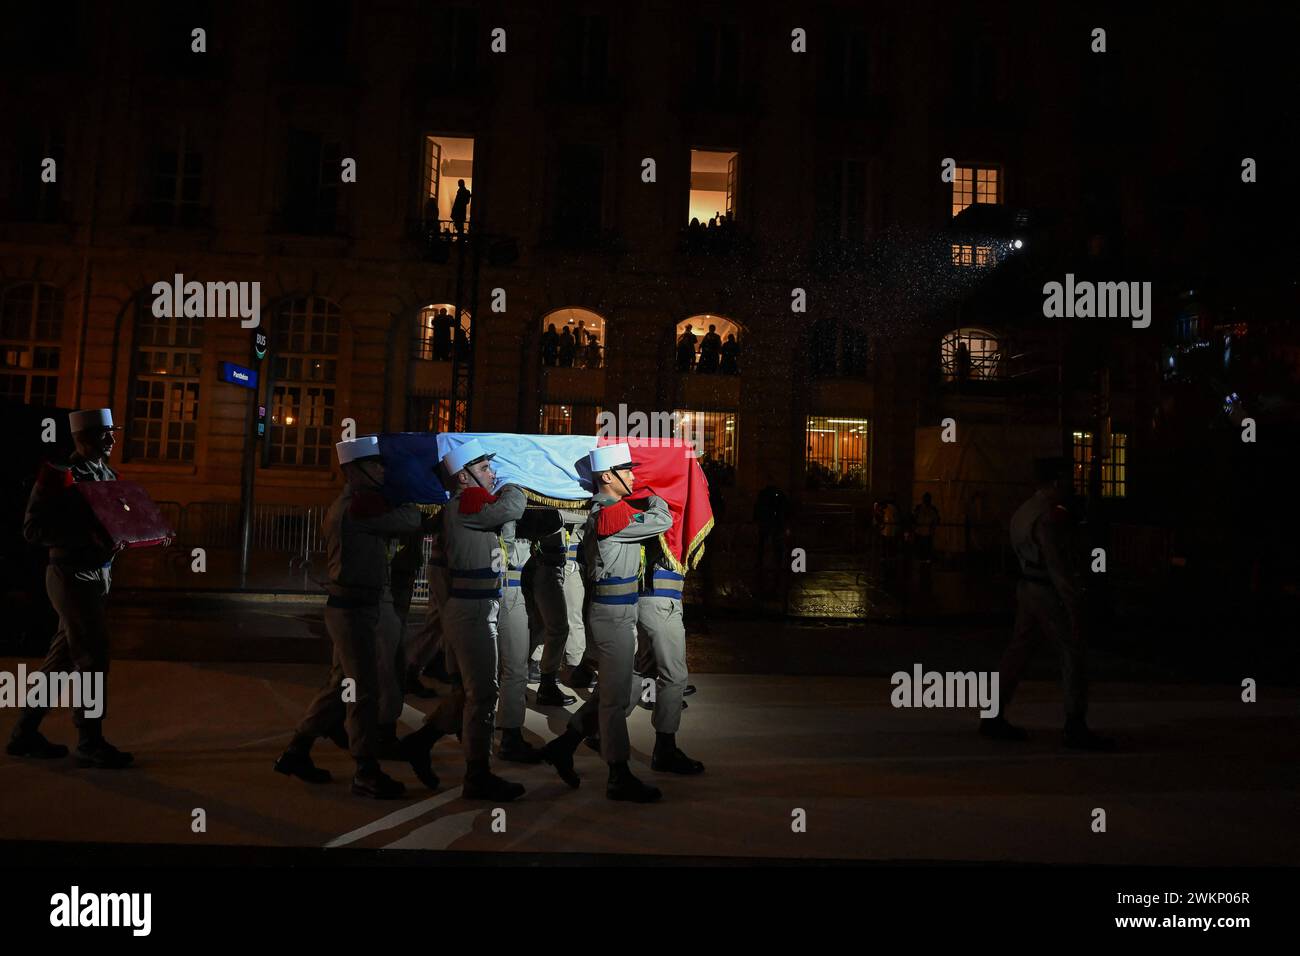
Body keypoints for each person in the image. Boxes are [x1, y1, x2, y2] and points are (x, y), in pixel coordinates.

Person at [275, 435, 435, 798]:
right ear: (353, 471)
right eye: (375, 465)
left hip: (356, 607)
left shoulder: (360, 504)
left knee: (338, 686)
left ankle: (296, 752)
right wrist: (406, 491)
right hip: (354, 611)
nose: (381, 470)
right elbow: (411, 521)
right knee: (362, 691)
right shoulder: (358, 509)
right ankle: (365, 769)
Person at [540, 444, 673, 802]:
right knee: (615, 699)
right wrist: (656, 495)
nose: (633, 476)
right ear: (607, 477)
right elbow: (664, 520)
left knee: (625, 689)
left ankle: (566, 744)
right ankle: (618, 773)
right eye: (626, 471)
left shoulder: (617, 510)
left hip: (621, 611)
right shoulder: (611, 514)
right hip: (611, 615)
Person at [400, 439, 530, 800]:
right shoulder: (465, 506)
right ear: (463, 475)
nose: (493, 474)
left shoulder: (473, 505)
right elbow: (514, 505)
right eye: (485, 468)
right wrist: (516, 481)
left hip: (477, 607)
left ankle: (421, 742)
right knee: (483, 693)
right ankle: (477, 774)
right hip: (471, 611)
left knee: (471, 691)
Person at [8, 408, 131, 768]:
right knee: (93, 658)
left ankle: (24, 733)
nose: (112, 439)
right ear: (85, 438)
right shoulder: (61, 475)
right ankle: (90, 741)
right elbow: (33, 530)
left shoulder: (107, 473)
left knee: (61, 662)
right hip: (71, 574)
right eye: (105, 434)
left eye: (112, 433)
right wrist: (87, 537)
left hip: (96, 574)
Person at [981, 457, 1114, 751]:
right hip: (1045, 589)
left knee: (1018, 651)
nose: (1071, 483)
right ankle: (1075, 724)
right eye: (1067, 478)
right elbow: (1058, 567)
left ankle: (992, 714)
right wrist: (1074, 601)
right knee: (1072, 652)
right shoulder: (1049, 517)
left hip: (1027, 585)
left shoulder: (1024, 511)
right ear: (1056, 480)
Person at [633, 532, 705, 776]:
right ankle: (665, 749)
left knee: (639, 672)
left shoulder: (648, 511)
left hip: (650, 598)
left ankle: (582, 732)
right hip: (661, 600)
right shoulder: (664, 517)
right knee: (673, 676)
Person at [913, 492, 940, 563]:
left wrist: (933, 528)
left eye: (927, 499)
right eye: (925, 499)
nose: (926, 500)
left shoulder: (932, 509)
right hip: (920, 532)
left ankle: (925, 560)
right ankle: (921, 560)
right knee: (921, 547)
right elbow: (914, 517)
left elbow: (936, 520)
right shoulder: (919, 508)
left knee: (926, 548)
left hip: (927, 532)